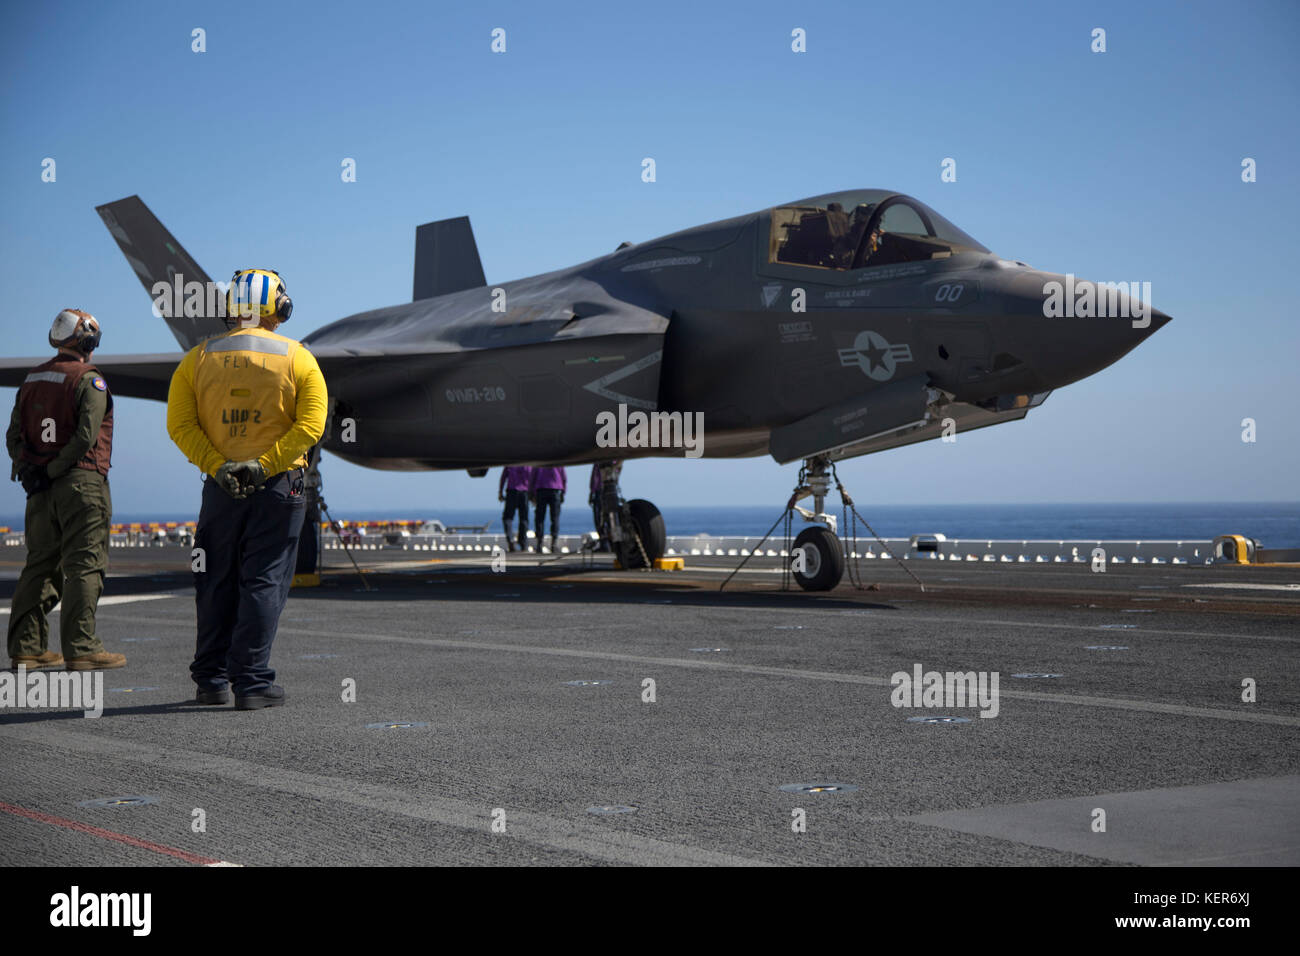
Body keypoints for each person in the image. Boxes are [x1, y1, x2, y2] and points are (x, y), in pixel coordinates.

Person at [166, 269, 326, 710]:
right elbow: (311, 425)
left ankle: (211, 681)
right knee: (264, 579)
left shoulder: (196, 359)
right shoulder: (299, 358)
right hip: (279, 489)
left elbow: (179, 426)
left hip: (220, 490)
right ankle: (252, 683)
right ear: (280, 307)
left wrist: (220, 468)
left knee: (214, 579)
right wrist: (264, 466)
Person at [6, 310, 125, 671]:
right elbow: (86, 437)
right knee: (85, 566)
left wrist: (32, 469)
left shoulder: (31, 380)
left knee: (39, 565)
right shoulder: (90, 380)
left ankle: (27, 649)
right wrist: (56, 469)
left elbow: (13, 437)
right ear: (88, 342)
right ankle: (82, 648)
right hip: (81, 483)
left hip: (38, 488)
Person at [530, 465, 566, 553]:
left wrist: (531, 493)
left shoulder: (539, 460)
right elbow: (563, 477)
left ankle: (540, 543)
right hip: (555, 490)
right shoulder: (559, 460)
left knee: (540, 518)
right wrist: (563, 492)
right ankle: (553, 543)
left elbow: (532, 478)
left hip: (541, 490)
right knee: (554, 518)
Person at [498, 466, 532, 552]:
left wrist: (500, 492)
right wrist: (533, 494)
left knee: (508, 518)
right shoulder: (529, 465)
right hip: (524, 492)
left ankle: (510, 540)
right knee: (524, 519)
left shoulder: (511, 463)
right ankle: (523, 542)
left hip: (512, 492)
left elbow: (503, 478)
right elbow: (532, 479)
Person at [588, 460, 619, 552]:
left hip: (603, 491)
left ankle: (609, 544)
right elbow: (594, 478)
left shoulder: (604, 461)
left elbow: (594, 478)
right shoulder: (601, 462)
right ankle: (608, 545)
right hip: (603, 491)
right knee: (604, 520)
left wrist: (592, 491)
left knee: (606, 519)